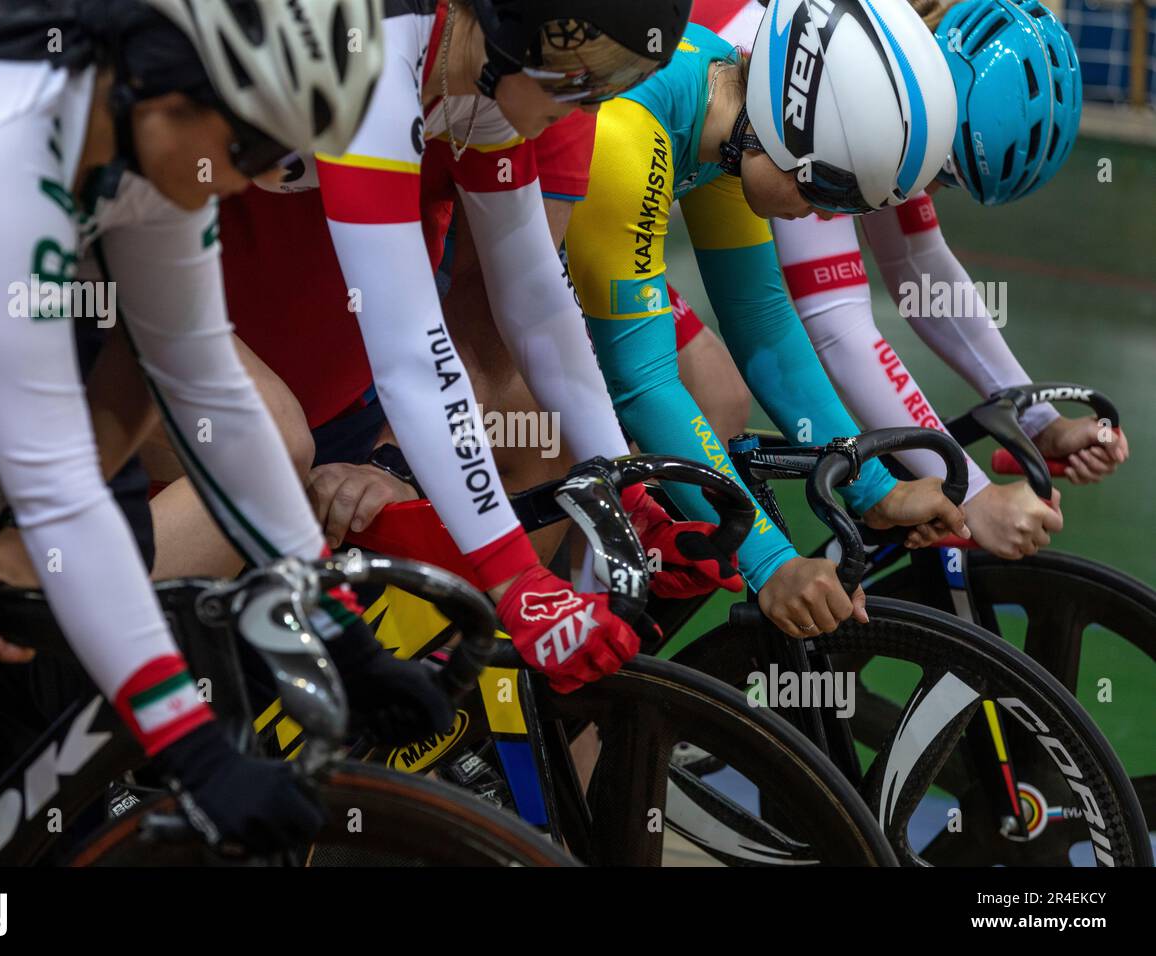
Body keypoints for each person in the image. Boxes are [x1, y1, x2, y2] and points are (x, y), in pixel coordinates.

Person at [0, 0, 448, 853]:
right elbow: (57, 485)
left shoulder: (153, 144)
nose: (256, 182)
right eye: (251, 149)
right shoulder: (2, 158)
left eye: (289, 159)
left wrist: (336, 629)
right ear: (166, 91)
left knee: (31, 595)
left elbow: (205, 386)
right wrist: (198, 753)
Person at [309, 0, 760, 696]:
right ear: (516, 31)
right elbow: (413, 352)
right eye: (583, 86)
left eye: (613, 90)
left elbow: (536, 304)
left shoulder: (483, 78)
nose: (591, 111)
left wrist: (625, 493)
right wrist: (518, 578)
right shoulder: (382, 50)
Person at [565, 0, 971, 639]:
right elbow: (640, 382)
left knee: (712, 396)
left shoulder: (735, 117)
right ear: (790, 132)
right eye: (825, 192)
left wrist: (871, 489)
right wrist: (770, 562)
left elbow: (761, 323)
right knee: (542, 448)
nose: (818, 218)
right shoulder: (630, 133)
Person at [670, 0, 1126, 562]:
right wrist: (976, 498)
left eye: (943, 183)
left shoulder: (893, 74)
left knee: (703, 396)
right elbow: (838, 326)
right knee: (707, 401)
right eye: (937, 174)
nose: (922, 194)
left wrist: (1039, 419)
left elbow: (920, 267)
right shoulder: (832, 93)